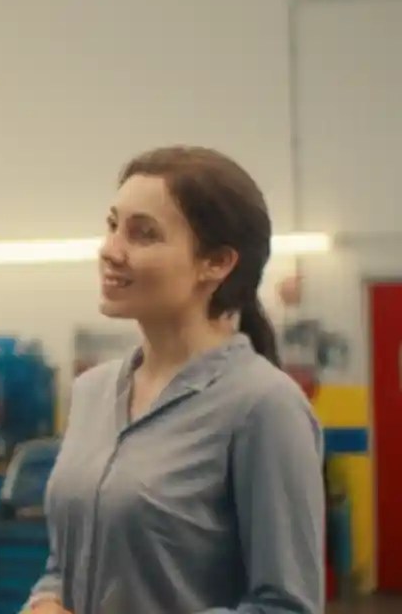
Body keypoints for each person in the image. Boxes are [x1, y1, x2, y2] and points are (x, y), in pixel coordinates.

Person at [27, 146, 324, 614]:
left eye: (143, 234)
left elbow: (287, 606)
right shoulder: (91, 392)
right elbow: (67, 562)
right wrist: (46, 600)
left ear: (216, 263)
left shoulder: (263, 405)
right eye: (112, 225)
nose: (110, 249)